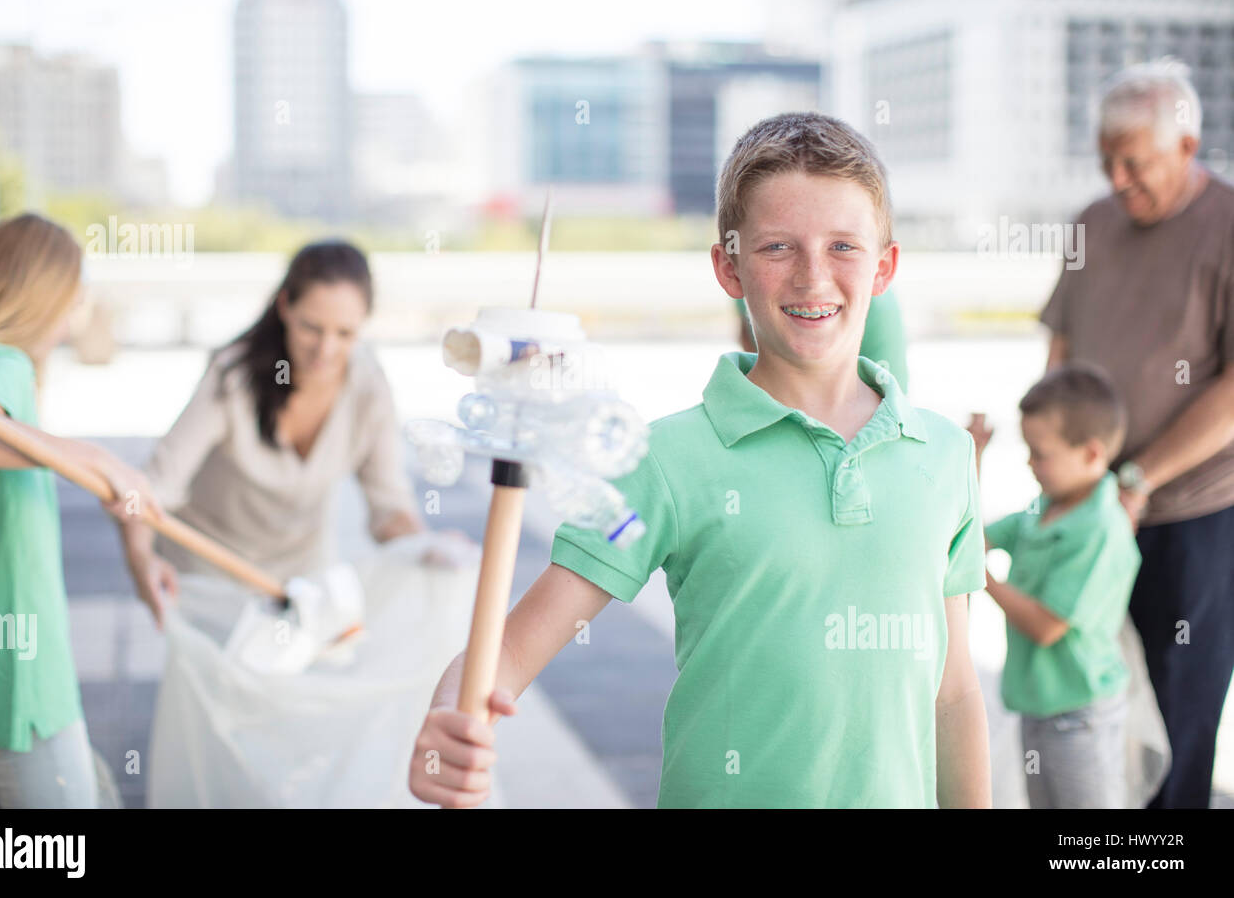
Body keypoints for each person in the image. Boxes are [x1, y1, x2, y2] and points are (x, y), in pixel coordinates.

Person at [408, 112, 991, 808]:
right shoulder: (666, 463)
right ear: (728, 266)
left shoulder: (945, 457)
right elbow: (504, 653)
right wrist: (449, 723)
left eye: (843, 246)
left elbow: (953, 692)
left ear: (885, 265)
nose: (813, 276)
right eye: (777, 246)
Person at [1040, 61, 1234, 808]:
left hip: (1192, 517)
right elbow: (1059, 351)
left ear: (1186, 146)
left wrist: (1138, 478)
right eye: (1106, 161)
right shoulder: (1092, 222)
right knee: (1087, 710)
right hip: (1091, 513)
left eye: (1136, 162)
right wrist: (1058, 467)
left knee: (1178, 713)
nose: (1119, 179)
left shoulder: (1225, 225)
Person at [0, 214, 160, 807]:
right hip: (17, 682)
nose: (66, 326)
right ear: (39, 299)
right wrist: (94, 457)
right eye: (68, 304)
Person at [117, 240, 462, 618]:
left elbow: (388, 508)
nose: (326, 350)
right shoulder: (232, 379)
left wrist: (425, 547)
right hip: (210, 577)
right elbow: (149, 491)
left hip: (303, 582)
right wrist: (139, 561)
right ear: (285, 307)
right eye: (311, 328)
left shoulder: (368, 386)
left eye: (345, 334)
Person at [969, 366, 1141, 808]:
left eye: (1040, 453)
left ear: (1090, 454)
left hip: (1081, 715)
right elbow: (974, 537)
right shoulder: (1045, 506)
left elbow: (1047, 626)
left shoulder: (1099, 529)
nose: (1029, 462)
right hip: (1037, 705)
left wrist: (979, 575)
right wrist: (974, 459)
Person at [736, 286, 910, 392]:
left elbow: (892, 399)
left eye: (842, 247)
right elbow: (750, 342)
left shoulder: (876, 307)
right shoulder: (748, 283)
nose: (813, 282)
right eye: (776, 247)